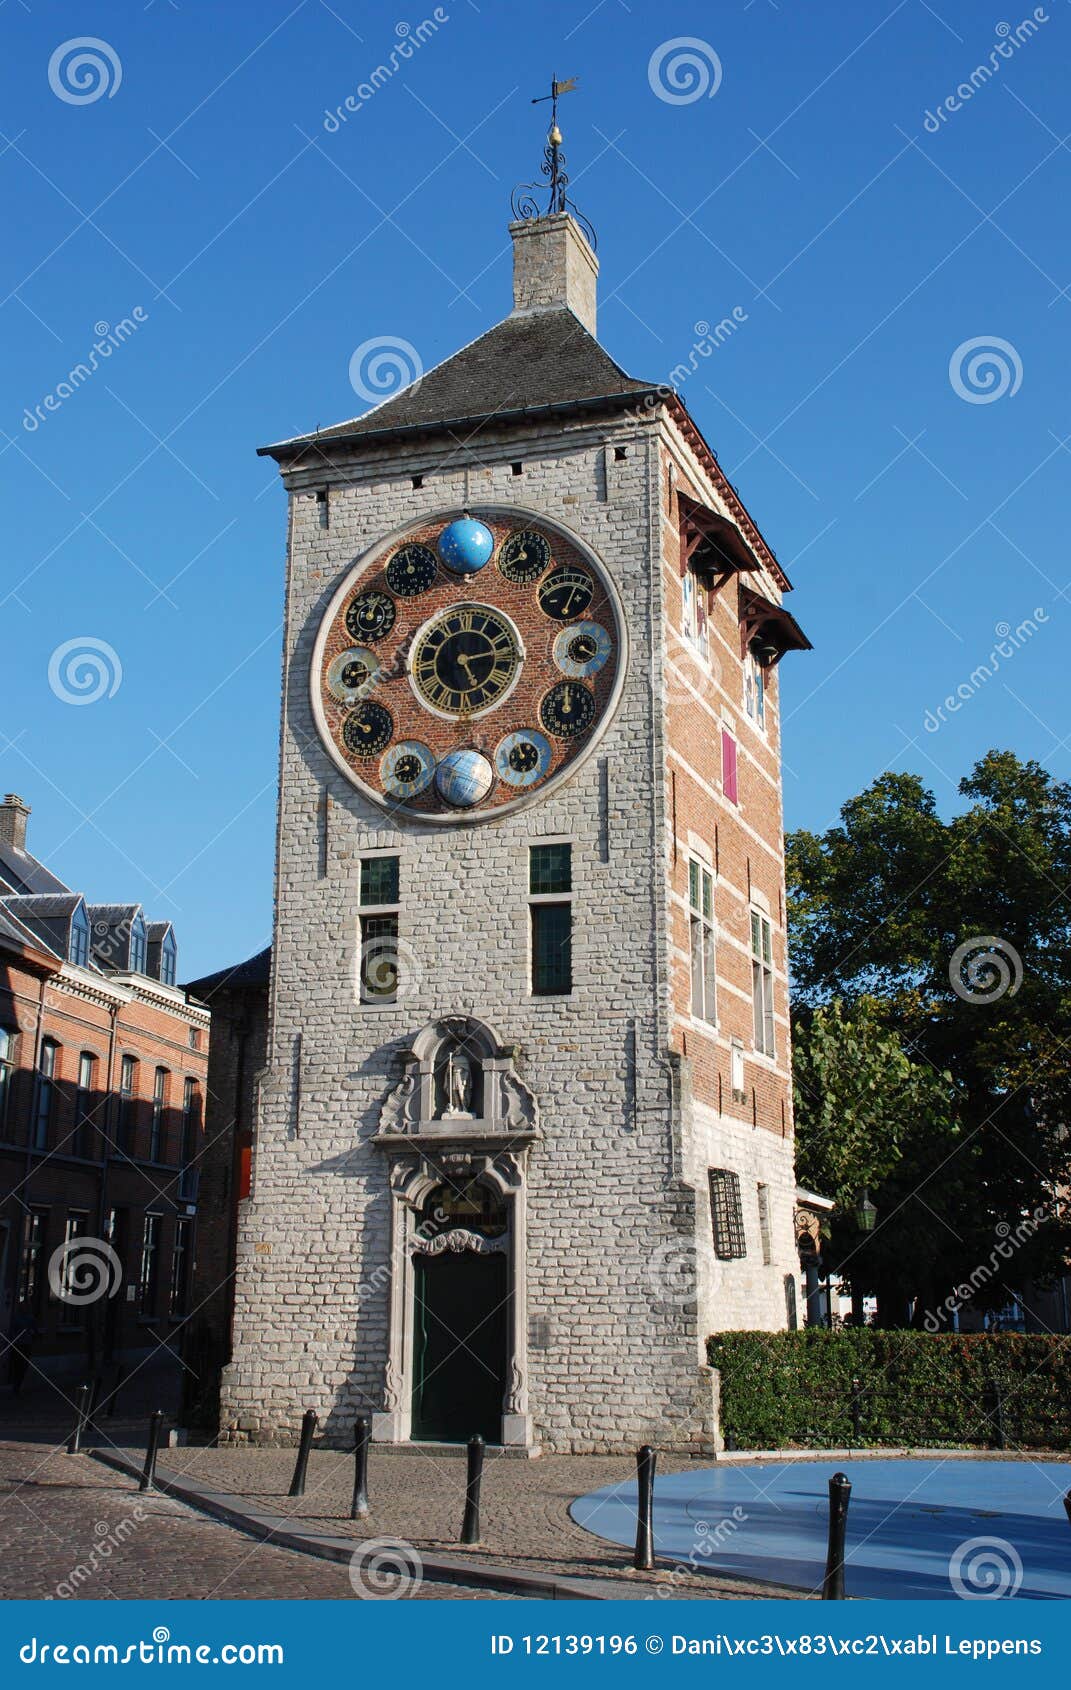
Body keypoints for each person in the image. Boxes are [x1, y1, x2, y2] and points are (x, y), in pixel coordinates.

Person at [8, 1305, 37, 1396]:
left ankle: (18, 1385)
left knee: (23, 1366)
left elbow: (35, 1330)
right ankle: (16, 1386)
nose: (24, 1309)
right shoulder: (16, 1318)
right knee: (17, 1366)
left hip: (26, 1345)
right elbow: (12, 1330)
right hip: (18, 1345)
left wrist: (32, 1333)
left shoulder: (30, 1318)